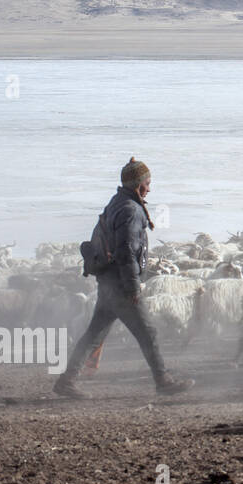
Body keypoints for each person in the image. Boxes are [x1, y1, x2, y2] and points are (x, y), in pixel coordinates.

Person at [55, 157, 193, 398]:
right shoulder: (131, 210)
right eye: (148, 183)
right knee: (147, 332)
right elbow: (126, 251)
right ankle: (163, 380)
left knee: (95, 333)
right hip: (120, 285)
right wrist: (133, 287)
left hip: (108, 282)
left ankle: (67, 380)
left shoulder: (117, 202)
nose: (150, 188)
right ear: (139, 185)